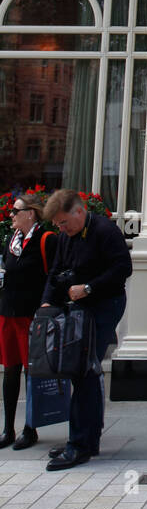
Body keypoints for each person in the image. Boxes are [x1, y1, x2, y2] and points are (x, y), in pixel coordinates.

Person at [39, 189, 132, 470]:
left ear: (79, 211)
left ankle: (80, 443)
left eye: (64, 222)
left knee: (83, 369)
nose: (61, 228)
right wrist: (46, 302)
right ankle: (86, 439)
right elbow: (56, 271)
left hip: (105, 305)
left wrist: (89, 287)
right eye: (57, 225)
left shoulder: (105, 231)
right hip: (80, 306)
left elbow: (123, 268)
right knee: (84, 371)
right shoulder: (67, 237)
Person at [0, 193, 58, 450]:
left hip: (30, 316)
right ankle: (8, 429)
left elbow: (53, 276)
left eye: (16, 210)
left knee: (30, 372)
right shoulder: (11, 240)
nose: (11, 215)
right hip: (7, 314)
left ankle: (30, 428)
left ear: (31, 213)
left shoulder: (45, 240)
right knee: (9, 370)